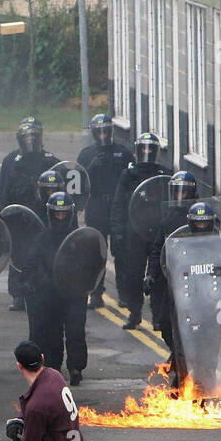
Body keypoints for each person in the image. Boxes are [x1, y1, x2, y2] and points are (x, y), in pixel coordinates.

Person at [20, 193, 88, 386]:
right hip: (50, 294)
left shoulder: (79, 238)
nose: (60, 218)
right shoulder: (41, 239)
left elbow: (92, 263)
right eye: (57, 214)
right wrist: (29, 283)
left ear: (70, 214)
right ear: (50, 214)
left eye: (64, 214)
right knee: (53, 334)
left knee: (75, 332)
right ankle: (54, 369)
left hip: (74, 293)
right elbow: (29, 265)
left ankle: (76, 368)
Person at [155, 200, 221, 391]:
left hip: (211, 306)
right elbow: (169, 265)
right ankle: (181, 373)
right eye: (197, 223)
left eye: (204, 223)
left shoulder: (220, 244)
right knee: (180, 341)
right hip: (187, 303)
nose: (201, 227)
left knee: (208, 353)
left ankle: (205, 392)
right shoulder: (181, 245)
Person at [0, 120, 59, 311]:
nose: (30, 140)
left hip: (42, 216)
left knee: (43, 254)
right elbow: (2, 189)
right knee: (17, 254)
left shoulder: (50, 161)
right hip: (18, 216)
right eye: (26, 137)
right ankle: (18, 295)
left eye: (33, 136)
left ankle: (44, 291)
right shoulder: (11, 161)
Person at [110, 133, 167, 330]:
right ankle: (135, 314)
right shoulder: (129, 175)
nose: (146, 152)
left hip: (155, 233)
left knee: (158, 276)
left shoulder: (163, 174)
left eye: (150, 149)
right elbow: (118, 204)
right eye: (143, 148)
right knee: (133, 275)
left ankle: (157, 316)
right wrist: (117, 231)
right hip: (134, 231)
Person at [76, 114, 132, 309]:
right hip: (96, 205)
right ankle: (96, 293)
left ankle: (124, 294)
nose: (102, 135)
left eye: (105, 131)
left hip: (117, 207)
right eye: (98, 131)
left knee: (121, 250)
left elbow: (130, 181)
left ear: (111, 131)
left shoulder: (123, 153)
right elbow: (78, 184)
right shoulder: (86, 155)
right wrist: (92, 167)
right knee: (96, 252)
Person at [142, 171, 199, 354]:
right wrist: (150, 274)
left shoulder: (201, 215)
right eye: (177, 192)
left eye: (184, 192)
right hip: (173, 280)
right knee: (165, 322)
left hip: (198, 281)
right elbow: (158, 249)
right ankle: (177, 354)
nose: (180, 197)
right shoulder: (169, 218)